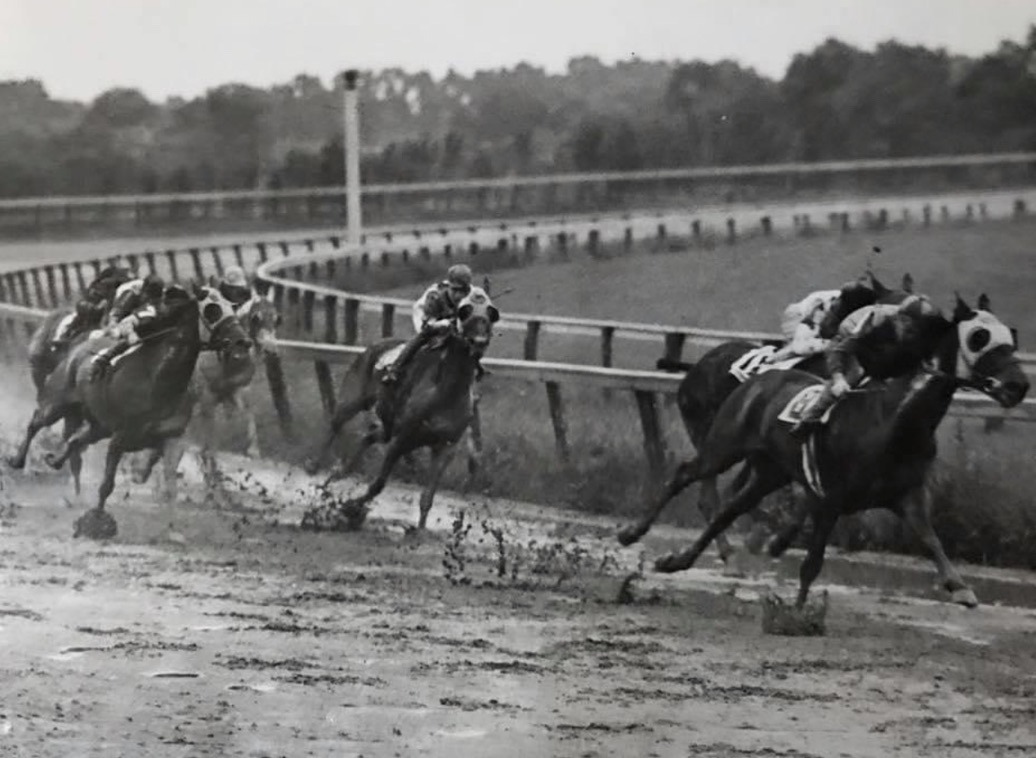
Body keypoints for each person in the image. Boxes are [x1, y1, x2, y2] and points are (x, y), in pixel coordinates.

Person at [788, 294, 944, 437]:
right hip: (850, 337)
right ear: (900, 320)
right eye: (911, 329)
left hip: (881, 344)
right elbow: (840, 350)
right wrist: (838, 378)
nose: (914, 334)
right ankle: (809, 418)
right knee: (854, 374)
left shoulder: (921, 331)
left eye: (919, 331)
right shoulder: (876, 320)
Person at [381, 263, 475, 386]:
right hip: (426, 316)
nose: (459, 296)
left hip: (448, 318)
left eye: (463, 291)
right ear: (449, 286)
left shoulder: (472, 294)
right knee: (424, 337)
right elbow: (428, 325)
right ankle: (395, 368)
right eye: (455, 290)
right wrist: (443, 323)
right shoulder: (435, 296)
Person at [88, 274, 167, 378]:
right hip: (126, 318)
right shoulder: (130, 294)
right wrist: (130, 333)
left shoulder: (163, 298)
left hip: (144, 317)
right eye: (152, 297)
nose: (156, 300)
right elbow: (116, 318)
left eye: (158, 297)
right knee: (119, 334)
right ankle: (103, 359)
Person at [50, 266, 133, 348]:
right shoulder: (99, 289)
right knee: (70, 321)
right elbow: (83, 304)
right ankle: (64, 337)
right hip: (93, 323)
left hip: (118, 323)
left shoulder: (129, 291)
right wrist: (97, 308)